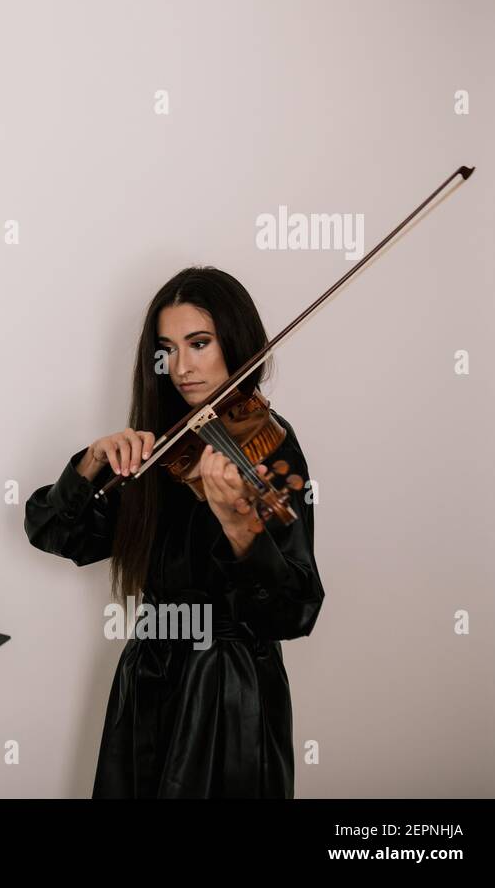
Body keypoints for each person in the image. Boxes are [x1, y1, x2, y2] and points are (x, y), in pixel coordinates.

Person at [24, 265, 325, 798]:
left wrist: (241, 529)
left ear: (236, 343)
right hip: (148, 678)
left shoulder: (272, 448)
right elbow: (56, 534)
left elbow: (296, 608)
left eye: (200, 343)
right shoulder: (160, 452)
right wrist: (92, 463)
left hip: (225, 693)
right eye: (168, 349)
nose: (181, 366)